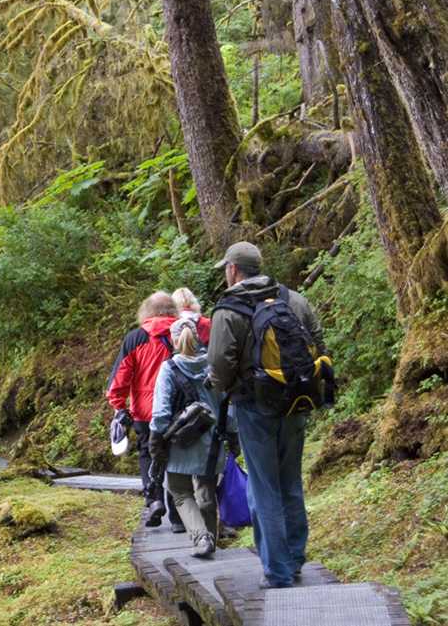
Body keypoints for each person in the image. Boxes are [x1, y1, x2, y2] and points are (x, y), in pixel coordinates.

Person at [207, 241, 328, 588]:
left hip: (254, 408)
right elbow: (318, 344)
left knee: (263, 487)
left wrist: (226, 385)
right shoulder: (293, 299)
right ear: (258, 267)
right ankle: (294, 558)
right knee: (290, 482)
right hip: (296, 404)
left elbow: (219, 367)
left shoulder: (228, 309)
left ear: (232, 270)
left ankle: (277, 572)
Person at [149, 318, 234, 557]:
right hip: (212, 443)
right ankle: (211, 542)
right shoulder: (213, 365)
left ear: (174, 341)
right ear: (197, 338)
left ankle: (201, 539)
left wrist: (156, 441)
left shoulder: (169, 368)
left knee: (180, 492)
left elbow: (161, 412)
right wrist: (232, 434)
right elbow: (228, 403)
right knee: (206, 493)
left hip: (179, 444)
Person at [106, 291, 184, 530]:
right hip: (179, 408)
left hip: (145, 410)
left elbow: (119, 378)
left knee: (147, 453)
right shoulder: (183, 332)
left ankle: (154, 500)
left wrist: (119, 405)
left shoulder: (135, 338)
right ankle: (179, 517)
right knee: (177, 457)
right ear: (172, 309)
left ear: (146, 311)